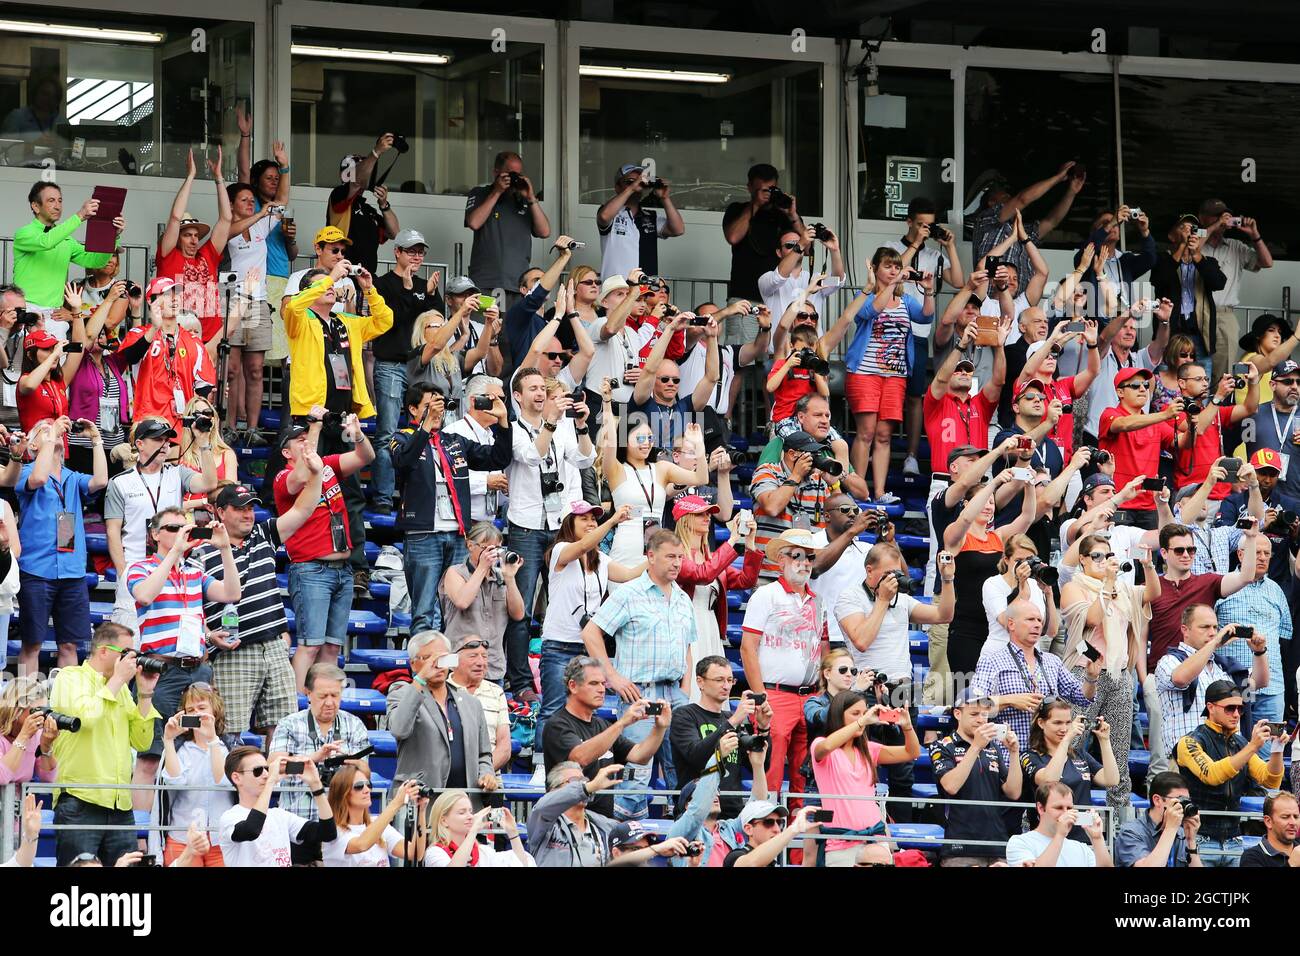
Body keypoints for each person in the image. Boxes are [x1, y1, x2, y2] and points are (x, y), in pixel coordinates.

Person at [125, 505, 242, 806]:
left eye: (184, 528)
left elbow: (231, 593)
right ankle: (142, 841)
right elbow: (144, 596)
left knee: (201, 745)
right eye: (173, 528)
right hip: (159, 672)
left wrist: (226, 548)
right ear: (154, 534)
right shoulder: (141, 568)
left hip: (197, 669)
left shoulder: (195, 572)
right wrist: (175, 553)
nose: (181, 534)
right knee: (151, 756)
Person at [197, 472, 322, 739]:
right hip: (233, 651)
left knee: (284, 731)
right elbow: (189, 602)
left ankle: (276, 781)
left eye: (251, 508)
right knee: (228, 732)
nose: (248, 514)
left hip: (274, 647)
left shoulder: (263, 533)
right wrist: (207, 636)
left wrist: (315, 473)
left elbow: (304, 508)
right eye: (239, 509)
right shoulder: (201, 551)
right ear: (220, 512)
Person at [581, 529, 692, 819]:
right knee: (635, 778)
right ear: (650, 557)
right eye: (670, 556)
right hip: (640, 695)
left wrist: (686, 691)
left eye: (680, 557)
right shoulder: (630, 593)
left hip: (675, 694)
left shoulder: (682, 597)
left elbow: (688, 648)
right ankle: (627, 848)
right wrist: (612, 677)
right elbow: (591, 633)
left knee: (683, 773)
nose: (677, 563)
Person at [390, 382, 512, 634]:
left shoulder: (453, 441)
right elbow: (405, 460)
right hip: (423, 534)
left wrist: (503, 422)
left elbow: (497, 458)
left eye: (440, 407)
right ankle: (424, 671)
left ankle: (452, 669)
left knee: (458, 609)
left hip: (458, 534)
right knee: (424, 611)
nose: (437, 412)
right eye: (428, 406)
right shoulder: (400, 437)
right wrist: (426, 425)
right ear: (413, 409)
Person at [506, 365, 597, 698]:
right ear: (517, 396)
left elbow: (586, 460)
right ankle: (520, 683)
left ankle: (563, 679)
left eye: (540, 387)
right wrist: (552, 422)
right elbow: (533, 455)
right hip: (527, 527)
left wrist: (583, 426)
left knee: (564, 605)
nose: (539, 392)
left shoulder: (563, 428)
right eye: (531, 388)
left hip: (560, 526)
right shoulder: (513, 429)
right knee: (522, 609)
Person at [273, 413, 376, 690]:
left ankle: (326, 698)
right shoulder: (283, 478)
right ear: (286, 451)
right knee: (309, 646)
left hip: (342, 569)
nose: (305, 441)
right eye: (298, 440)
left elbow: (366, 457)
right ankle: (296, 708)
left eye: (307, 438)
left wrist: (357, 435)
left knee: (332, 647)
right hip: (311, 569)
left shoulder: (328, 467)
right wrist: (315, 427)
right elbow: (304, 474)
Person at [533, 502, 644, 757]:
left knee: (585, 710)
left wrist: (657, 558)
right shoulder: (560, 550)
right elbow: (583, 545)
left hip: (587, 649)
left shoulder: (600, 559)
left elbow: (628, 575)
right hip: (559, 645)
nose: (591, 523)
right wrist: (613, 521)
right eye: (583, 519)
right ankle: (542, 763)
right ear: (568, 523)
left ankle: (577, 761)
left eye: (593, 519)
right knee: (552, 708)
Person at [1145, 523, 1259, 770]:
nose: (1187, 555)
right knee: (1160, 759)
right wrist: (1145, 678)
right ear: (1164, 553)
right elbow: (1141, 634)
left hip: (1204, 672)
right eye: (1179, 550)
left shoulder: (1206, 581)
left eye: (1192, 550)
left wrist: (1250, 538)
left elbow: (1246, 576)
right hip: (1161, 674)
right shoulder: (1153, 588)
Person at [49, 622, 162, 866]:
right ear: (103, 651)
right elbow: (85, 718)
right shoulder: (70, 677)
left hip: (120, 804)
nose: (133, 660)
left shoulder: (120, 689)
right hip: (81, 801)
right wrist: (118, 680)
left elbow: (142, 741)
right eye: (126, 653)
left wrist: (144, 693)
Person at [1057, 532, 1158, 807]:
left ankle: (1120, 818)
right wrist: (1109, 582)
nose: (1103, 561)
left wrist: (1148, 566)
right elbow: (1092, 617)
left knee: (1119, 748)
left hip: (1119, 674)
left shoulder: (1124, 589)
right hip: (1084, 672)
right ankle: (1065, 805)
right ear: (1083, 560)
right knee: (1073, 740)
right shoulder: (1074, 586)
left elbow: (1152, 594)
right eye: (1097, 556)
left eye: (1108, 555)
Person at [105, 416, 217, 637]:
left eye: (167, 439)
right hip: (136, 568)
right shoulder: (120, 482)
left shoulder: (177, 473)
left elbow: (210, 484)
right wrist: (123, 573)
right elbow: (113, 531)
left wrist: (203, 442)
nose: (165, 444)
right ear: (140, 444)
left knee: (169, 640)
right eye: (158, 439)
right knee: (132, 644)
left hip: (173, 568)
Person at [837, 248, 935, 497]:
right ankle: (858, 491)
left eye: (896, 266)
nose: (894, 270)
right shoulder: (867, 296)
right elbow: (871, 311)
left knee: (883, 435)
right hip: (865, 373)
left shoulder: (905, 301)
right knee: (866, 432)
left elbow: (926, 317)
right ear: (876, 269)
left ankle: (879, 492)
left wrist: (928, 290)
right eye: (888, 266)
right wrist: (893, 284)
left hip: (895, 376)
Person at [739, 528, 830, 798]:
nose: (804, 563)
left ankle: (800, 836)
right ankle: (766, 832)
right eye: (796, 556)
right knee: (771, 772)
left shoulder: (818, 601)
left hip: (811, 695)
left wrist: (823, 691)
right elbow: (747, 648)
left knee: (806, 773)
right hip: (774, 694)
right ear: (782, 560)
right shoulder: (765, 595)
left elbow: (823, 647)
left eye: (809, 558)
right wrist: (760, 697)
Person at [14, 417, 106, 674]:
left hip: (72, 571)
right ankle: (26, 706)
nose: (52, 432)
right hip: (37, 570)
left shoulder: (72, 478)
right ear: (32, 446)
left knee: (70, 646)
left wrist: (96, 439)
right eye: (43, 431)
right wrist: (54, 432)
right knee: (32, 644)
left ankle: (68, 706)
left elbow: (100, 481)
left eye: (53, 430)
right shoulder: (24, 471)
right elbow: (40, 478)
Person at [370, 229, 446, 513]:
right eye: (411, 250)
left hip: (420, 366)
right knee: (388, 431)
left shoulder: (426, 285)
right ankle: (383, 496)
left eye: (421, 251)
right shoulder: (383, 284)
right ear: (397, 253)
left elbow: (437, 322)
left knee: (427, 430)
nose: (417, 256)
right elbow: (391, 320)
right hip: (391, 364)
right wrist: (411, 293)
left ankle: (420, 494)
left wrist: (428, 295)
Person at [1174, 679, 1289, 866]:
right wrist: (1252, 746)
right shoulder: (1189, 742)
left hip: (1233, 838)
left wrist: (1277, 749)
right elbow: (1212, 775)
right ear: (1210, 707)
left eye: (1240, 709)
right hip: (1198, 837)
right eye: (1229, 709)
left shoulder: (1240, 744)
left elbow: (1269, 780)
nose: (1236, 714)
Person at [540, 656, 669, 819]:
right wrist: (621, 723)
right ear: (572, 686)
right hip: (566, 822)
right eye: (594, 683)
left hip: (603, 822)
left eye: (603, 683)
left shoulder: (603, 725)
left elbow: (640, 755)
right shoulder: (557, 725)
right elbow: (580, 757)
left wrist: (660, 727)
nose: (601, 689)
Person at [601, 387, 708, 573]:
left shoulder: (661, 468)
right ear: (625, 440)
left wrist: (699, 445)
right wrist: (607, 404)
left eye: (650, 438)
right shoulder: (617, 469)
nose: (646, 443)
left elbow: (701, 478)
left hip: (657, 550)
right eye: (640, 438)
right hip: (626, 549)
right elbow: (610, 441)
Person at [943, 470, 1038, 677]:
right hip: (966, 627)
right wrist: (993, 484)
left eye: (991, 503)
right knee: (967, 696)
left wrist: (1030, 485)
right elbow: (966, 518)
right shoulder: (956, 535)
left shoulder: (998, 536)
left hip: (996, 626)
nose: (987, 506)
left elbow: (1028, 517)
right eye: (983, 501)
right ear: (967, 504)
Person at [971, 599, 1100, 751]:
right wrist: (1010, 700)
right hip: (1010, 755)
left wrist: (1091, 678)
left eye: (1039, 620)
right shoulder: (992, 661)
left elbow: (1082, 698)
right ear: (1011, 624)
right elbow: (975, 705)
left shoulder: (1052, 661)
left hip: (1047, 757)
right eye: (1030, 619)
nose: (1038, 624)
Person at [809, 690, 920, 866]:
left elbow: (912, 752)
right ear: (838, 715)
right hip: (840, 845)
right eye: (855, 713)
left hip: (875, 842)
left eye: (864, 712)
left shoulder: (868, 749)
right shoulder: (821, 744)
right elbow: (828, 745)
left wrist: (907, 726)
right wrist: (862, 722)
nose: (863, 718)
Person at [385, 632, 497, 806]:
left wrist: (486, 773)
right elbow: (399, 729)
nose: (437, 665)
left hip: (465, 805)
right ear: (413, 664)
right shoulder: (402, 694)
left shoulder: (471, 702)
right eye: (429, 659)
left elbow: (484, 754)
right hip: (420, 802)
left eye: (443, 658)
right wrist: (421, 678)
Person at [270, 663, 371, 852]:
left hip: (343, 826)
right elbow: (275, 766)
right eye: (323, 696)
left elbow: (366, 772)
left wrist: (350, 762)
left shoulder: (354, 724)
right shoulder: (289, 724)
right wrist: (314, 758)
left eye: (335, 695)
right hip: (298, 824)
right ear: (307, 693)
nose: (330, 702)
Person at [222, 169, 286, 444]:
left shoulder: (260, 226)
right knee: (232, 369)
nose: (251, 203)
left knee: (256, 369)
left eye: (252, 200)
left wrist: (284, 168)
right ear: (232, 204)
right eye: (245, 200)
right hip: (233, 301)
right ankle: (230, 426)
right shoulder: (226, 227)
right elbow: (227, 232)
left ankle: (252, 428)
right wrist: (260, 213)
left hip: (258, 302)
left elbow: (282, 199)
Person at [1154, 606, 1267, 760]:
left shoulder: (1224, 666)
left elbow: (1259, 682)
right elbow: (1180, 678)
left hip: (1229, 758)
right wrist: (1214, 643)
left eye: (1215, 627)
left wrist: (1259, 652)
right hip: (1189, 758)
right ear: (1185, 630)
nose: (1213, 632)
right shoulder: (1169, 661)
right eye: (1205, 627)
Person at [837, 541, 955, 685]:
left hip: (903, 687)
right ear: (869, 570)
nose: (894, 579)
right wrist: (882, 600)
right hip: (868, 688)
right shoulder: (850, 597)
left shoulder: (901, 599)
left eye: (897, 574)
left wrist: (947, 579)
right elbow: (862, 642)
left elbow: (944, 616)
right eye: (888, 574)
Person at [929, 690, 1023, 866]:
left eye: (985, 714)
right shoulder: (942, 746)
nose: (981, 719)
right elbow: (951, 786)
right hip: (961, 845)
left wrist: (1013, 753)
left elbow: (1013, 792)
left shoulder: (992, 747)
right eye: (974, 714)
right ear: (958, 713)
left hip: (996, 843)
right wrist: (976, 747)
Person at [673, 496, 761, 684]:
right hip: (685, 626)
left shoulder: (711, 558)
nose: (707, 517)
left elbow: (746, 580)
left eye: (708, 514)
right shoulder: (676, 557)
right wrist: (732, 539)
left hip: (710, 625)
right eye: (701, 514)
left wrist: (750, 543)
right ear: (685, 518)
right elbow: (702, 575)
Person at [156, 148, 233, 357]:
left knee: (210, 390)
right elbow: (174, 217)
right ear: (177, 237)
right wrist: (190, 176)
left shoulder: (207, 254)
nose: (194, 239)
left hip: (209, 337)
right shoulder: (168, 256)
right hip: (177, 334)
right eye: (187, 235)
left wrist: (218, 178)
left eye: (196, 235)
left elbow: (226, 219)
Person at [670, 662, 772, 818]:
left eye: (730, 680)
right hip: (695, 810)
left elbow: (760, 766)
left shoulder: (732, 717)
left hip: (732, 813)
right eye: (719, 680)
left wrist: (764, 728)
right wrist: (733, 721)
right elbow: (696, 756)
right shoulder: (684, 715)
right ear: (700, 682)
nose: (726, 686)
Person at [153, 683, 238, 866]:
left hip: (222, 839)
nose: (196, 713)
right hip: (182, 837)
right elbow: (174, 783)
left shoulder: (230, 747)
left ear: (215, 709)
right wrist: (168, 740)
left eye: (202, 708)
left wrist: (212, 740)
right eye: (190, 709)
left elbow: (223, 781)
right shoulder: (178, 748)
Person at [117, 278, 216, 432]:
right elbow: (131, 357)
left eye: (177, 294)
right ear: (150, 300)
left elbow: (205, 385)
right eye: (167, 294)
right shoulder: (139, 333)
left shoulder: (193, 341)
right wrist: (155, 328)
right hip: (148, 423)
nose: (175, 299)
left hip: (182, 425)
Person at [922, 309, 1010, 475]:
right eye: (958, 370)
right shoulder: (935, 403)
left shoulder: (979, 404)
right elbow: (940, 380)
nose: (963, 372)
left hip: (977, 482)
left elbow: (999, 381)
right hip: (945, 480)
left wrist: (999, 347)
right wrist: (961, 345)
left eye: (968, 370)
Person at [15, 183, 121, 321]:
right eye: (51, 200)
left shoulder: (67, 240)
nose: (58, 206)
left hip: (54, 314)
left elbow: (96, 261)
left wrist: (114, 236)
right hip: (26, 309)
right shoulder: (24, 233)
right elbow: (46, 242)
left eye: (60, 200)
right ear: (35, 206)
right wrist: (80, 216)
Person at [1215, 534, 1291, 728]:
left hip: (1272, 686)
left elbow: (1284, 637)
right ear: (1241, 554)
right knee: (1233, 750)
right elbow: (1208, 636)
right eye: (1257, 552)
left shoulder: (1276, 590)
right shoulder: (1223, 585)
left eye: (1267, 553)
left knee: (1269, 751)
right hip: (1233, 685)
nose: (1263, 557)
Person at [218, 746, 337, 868]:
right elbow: (251, 830)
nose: (266, 775)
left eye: (267, 769)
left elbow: (327, 834)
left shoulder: (280, 815)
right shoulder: (230, 817)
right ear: (236, 778)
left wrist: (316, 785)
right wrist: (270, 782)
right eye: (257, 770)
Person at [1099, 367, 1187, 529]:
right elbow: (1123, 424)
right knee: (1116, 554)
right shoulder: (1109, 413)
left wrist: (1194, 425)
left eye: (1146, 385)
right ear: (1120, 392)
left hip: (1149, 506)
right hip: (1118, 502)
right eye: (1135, 385)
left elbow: (1181, 443)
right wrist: (1164, 415)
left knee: (1147, 554)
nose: (1142, 389)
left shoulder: (1155, 422)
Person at [1019, 700, 1119, 842]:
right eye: (1057, 723)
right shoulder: (1029, 756)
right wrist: (1067, 739)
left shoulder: (1079, 754)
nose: (1064, 728)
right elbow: (1049, 780)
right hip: (1047, 840)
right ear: (1041, 723)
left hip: (1083, 838)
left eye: (1067, 723)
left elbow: (1111, 780)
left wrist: (1105, 741)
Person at [971, 161, 1084, 284]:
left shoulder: (1022, 231)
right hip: (992, 299)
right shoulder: (986, 220)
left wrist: (1071, 192)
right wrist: (1058, 178)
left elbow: (1051, 222)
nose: (1010, 198)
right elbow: (1022, 199)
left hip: (1018, 301)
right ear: (991, 202)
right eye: (1005, 198)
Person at [439, 522, 524, 685]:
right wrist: (482, 568)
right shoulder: (455, 572)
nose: (493, 554)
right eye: (487, 548)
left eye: (497, 548)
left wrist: (510, 578)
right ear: (470, 545)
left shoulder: (501, 576)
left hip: (492, 666)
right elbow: (462, 601)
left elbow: (518, 614)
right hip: (457, 667)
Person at [1199, 199, 1274, 383]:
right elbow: (1188, 251)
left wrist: (1254, 234)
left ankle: (1218, 408)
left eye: (1225, 216)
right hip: (1198, 311)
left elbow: (1266, 262)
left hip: (1225, 313)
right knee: (1194, 369)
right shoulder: (1197, 239)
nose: (1223, 220)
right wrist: (1216, 225)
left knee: (1223, 372)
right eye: (1216, 215)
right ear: (1202, 218)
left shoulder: (1235, 246)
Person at [750, 429, 839, 582]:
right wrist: (796, 475)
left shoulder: (818, 480)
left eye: (817, 455)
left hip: (806, 576)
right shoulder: (767, 472)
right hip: (770, 576)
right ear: (792, 454)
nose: (815, 459)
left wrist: (834, 484)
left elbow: (840, 518)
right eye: (811, 455)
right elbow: (772, 507)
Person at [64, 280, 132, 475]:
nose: (99, 337)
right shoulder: (78, 360)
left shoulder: (112, 362)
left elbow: (135, 349)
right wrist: (110, 299)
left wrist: (136, 312)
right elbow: (89, 335)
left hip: (113, 444)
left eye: (104, 334)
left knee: (109, 495)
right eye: (97, 335)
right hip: (83, 443)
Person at [627, 310, 720, 451]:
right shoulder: (642, 403)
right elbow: (649, 370)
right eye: (664, 379)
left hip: (679, 469)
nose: (671, 383)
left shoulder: (686, 406)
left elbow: (711, 378)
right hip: (651, 468)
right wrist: (670, 328)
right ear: (653, 381)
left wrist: (712, 337)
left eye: (676, 380)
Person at [721, 163, 805, 316]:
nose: (768, 194)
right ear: (750, 187)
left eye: (771, 189)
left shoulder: (783, 214)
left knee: (778, 340)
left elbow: (806, 245)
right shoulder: (738, 209)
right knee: (743, 341)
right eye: (763, 189)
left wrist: (792, 214)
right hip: (745, 298)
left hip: (779, 296)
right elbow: (733, 237)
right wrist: (755, 205)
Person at [464, 151, 552, 297]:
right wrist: (497, 192)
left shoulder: (524, 200)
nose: (513, 179)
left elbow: (544, 232)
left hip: (518, 283)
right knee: (484, 320)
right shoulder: (481, 193)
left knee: (514, 321)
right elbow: (474, 222)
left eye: (518, 175)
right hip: (486, 281)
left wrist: (530, 197)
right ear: (496, 172)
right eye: (510, 174)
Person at [1171, 361, 1259, 499]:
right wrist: (1218, 397)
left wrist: (1254, 381)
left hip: (1220, 494)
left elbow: (1250, 408)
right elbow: (1197, 428)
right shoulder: (1172, 410)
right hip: (1192, 494)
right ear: (1182, 383)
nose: (1205, 384)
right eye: (1199, 379)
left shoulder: (1214, 411)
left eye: (1206, 379)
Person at [1151, 215, 1227, 373]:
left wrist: (1196, 255)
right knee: (1166, 383)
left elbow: (1219, 283)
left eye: (1192, 228)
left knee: (1200, 384)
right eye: (1183, 227)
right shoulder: (1163, 259)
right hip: (1170, 335)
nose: (1188, 231)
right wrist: (1182, 247)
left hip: (1199, 335)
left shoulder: (1207, 261)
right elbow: (1159, 279)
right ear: (1172, 236)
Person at [525, 761, 624, 866]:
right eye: (574, 782)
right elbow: (542, 807)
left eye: (584, 781)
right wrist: (588, 787)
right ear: (553, 791)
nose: (582, 785)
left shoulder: (605, 826)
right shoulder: (543, 824)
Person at [327, 134, 401, 274]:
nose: (369, 172)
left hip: (366, 279)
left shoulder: (368, 210)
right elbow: (356, 181)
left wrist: (384, 205)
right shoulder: (339, 194)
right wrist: (376, 152)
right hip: (342, 275)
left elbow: (394, 233)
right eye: (363, 168)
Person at [596, 164, 685, 278]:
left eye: (640, 181)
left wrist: (664, 198)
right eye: (630, 181)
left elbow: (678, 229)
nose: (636, 184)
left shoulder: (650, 216)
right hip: (617, 289)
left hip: (646, 289)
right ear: (617, 187)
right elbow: (604, 216)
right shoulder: (611, 213)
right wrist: (632, 187)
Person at [322, 769, 425, 867]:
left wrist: (421, 810)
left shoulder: (376, 822)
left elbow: (414, 853)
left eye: (368, 784)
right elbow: (362, 844)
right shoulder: (332, 832)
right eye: (359, 786)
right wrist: (396, 802)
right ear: (342, 793)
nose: (367, 790)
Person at [444, 375, 511, 523]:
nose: (501, 405)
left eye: (503, 399)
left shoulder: (492, 436)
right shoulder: (454, 432)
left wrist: (504, 487)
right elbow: (446, 478)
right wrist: (485, 481)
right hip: (460, 522)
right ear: (475, 401)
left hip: (488, 521)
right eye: (494, 399)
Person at [982, 534, 1058, 660]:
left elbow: (1051, 632)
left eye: (1029, 560)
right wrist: (1021, 585)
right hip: (999, 656)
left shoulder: (1035, 585)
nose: (1025, 566)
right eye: (1019, 561)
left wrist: (1049, 594)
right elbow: (1007, 623)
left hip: (1030, 659)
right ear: (1006, 559)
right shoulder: (993, 584)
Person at [1006, 781, 1113, 867]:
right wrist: (1060, 835)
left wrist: (1097, 839)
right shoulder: (1020, 842)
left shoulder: (1082, 848)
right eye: (1059, 808)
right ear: (1041, 808)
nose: (1066, 813)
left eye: (1069, 808)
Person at [448, 636, 513, 772]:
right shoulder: (442, 690)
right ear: (453, 662)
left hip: (489, 781)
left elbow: (504, 747)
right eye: (473, 656)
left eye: (484, 657)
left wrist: (484, 773)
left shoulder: (496, 692)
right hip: (450, 781)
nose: (481, 663)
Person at [1113, 771, 1204, 867]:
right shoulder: (1130, 832)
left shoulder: (1181, 833)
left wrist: (1191, 842)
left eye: (1187, 801)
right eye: (1180, 800)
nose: (1183, 807)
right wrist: (1170, 829)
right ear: (1157, 800)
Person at [424, 790, 535, 867]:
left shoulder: (483, 851)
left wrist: (513, 834)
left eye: (470, 811)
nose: (470, 816)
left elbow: (522, 864)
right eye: (462, 812)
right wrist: (473, 832)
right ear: (444, 820)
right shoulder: (435, 853)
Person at [0, 676, 59, 787]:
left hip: (17, 802)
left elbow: (48, 780)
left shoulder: (35, 736)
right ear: (16, 710)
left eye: (43, 709)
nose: (41, 715)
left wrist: (46, 747)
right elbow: (2, 777)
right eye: (36, 710)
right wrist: (23, 736)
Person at [725, 804, 822, 868]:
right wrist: (794, 828)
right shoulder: (735, 857)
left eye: (780, 823)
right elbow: (752, 863)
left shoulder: (770, 863)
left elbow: (808, 863)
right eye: (768, 822)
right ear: (748, 829)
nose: (777, 829)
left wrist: (812, 829)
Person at [1239, 792, 1300, 868]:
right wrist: (1292, 864)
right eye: (1285, 817)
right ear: (1268, 821)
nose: (1293, 822)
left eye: (1296, 817)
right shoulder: (1252, 857)